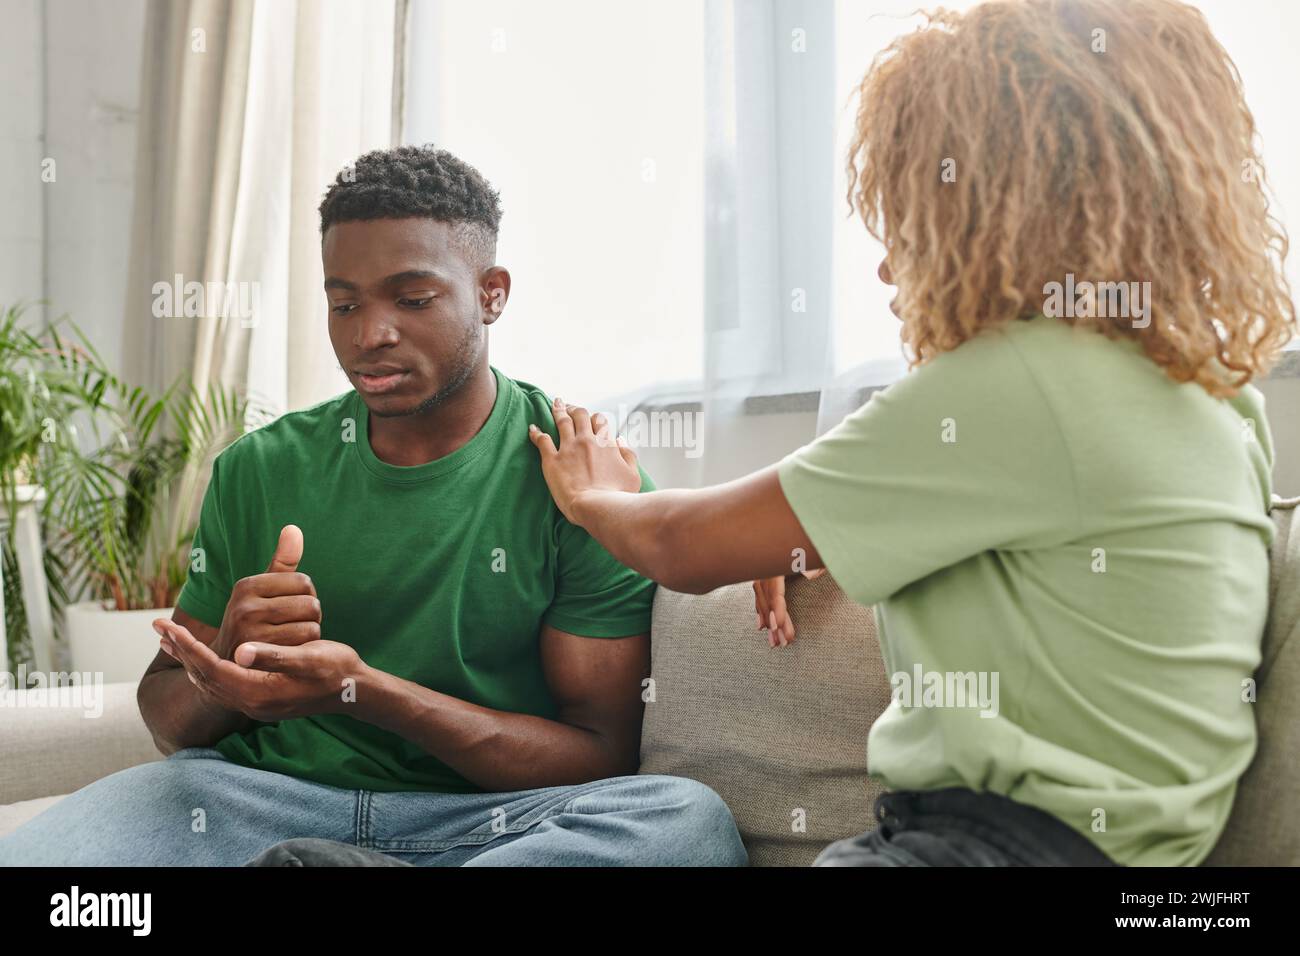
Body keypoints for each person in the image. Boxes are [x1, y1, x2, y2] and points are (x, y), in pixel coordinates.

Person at [525, 0, 1296, 866]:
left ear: (1000, 216)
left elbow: (681, 545)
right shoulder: (1213, 402)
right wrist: (805, 534)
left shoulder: (1019, 382)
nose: (891, 265)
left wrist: (594, 497)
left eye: (909, 221)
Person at [0, 146, 745, 867]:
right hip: (257, 805)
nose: (369, 334)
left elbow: (598, 755)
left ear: (492, 293)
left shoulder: (583, 482)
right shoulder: (259, 469)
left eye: (412, 299)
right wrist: (224, 662)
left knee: (685, 824)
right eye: (344, 303)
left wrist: (367, 692)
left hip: (486, 824)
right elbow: (167, 720)